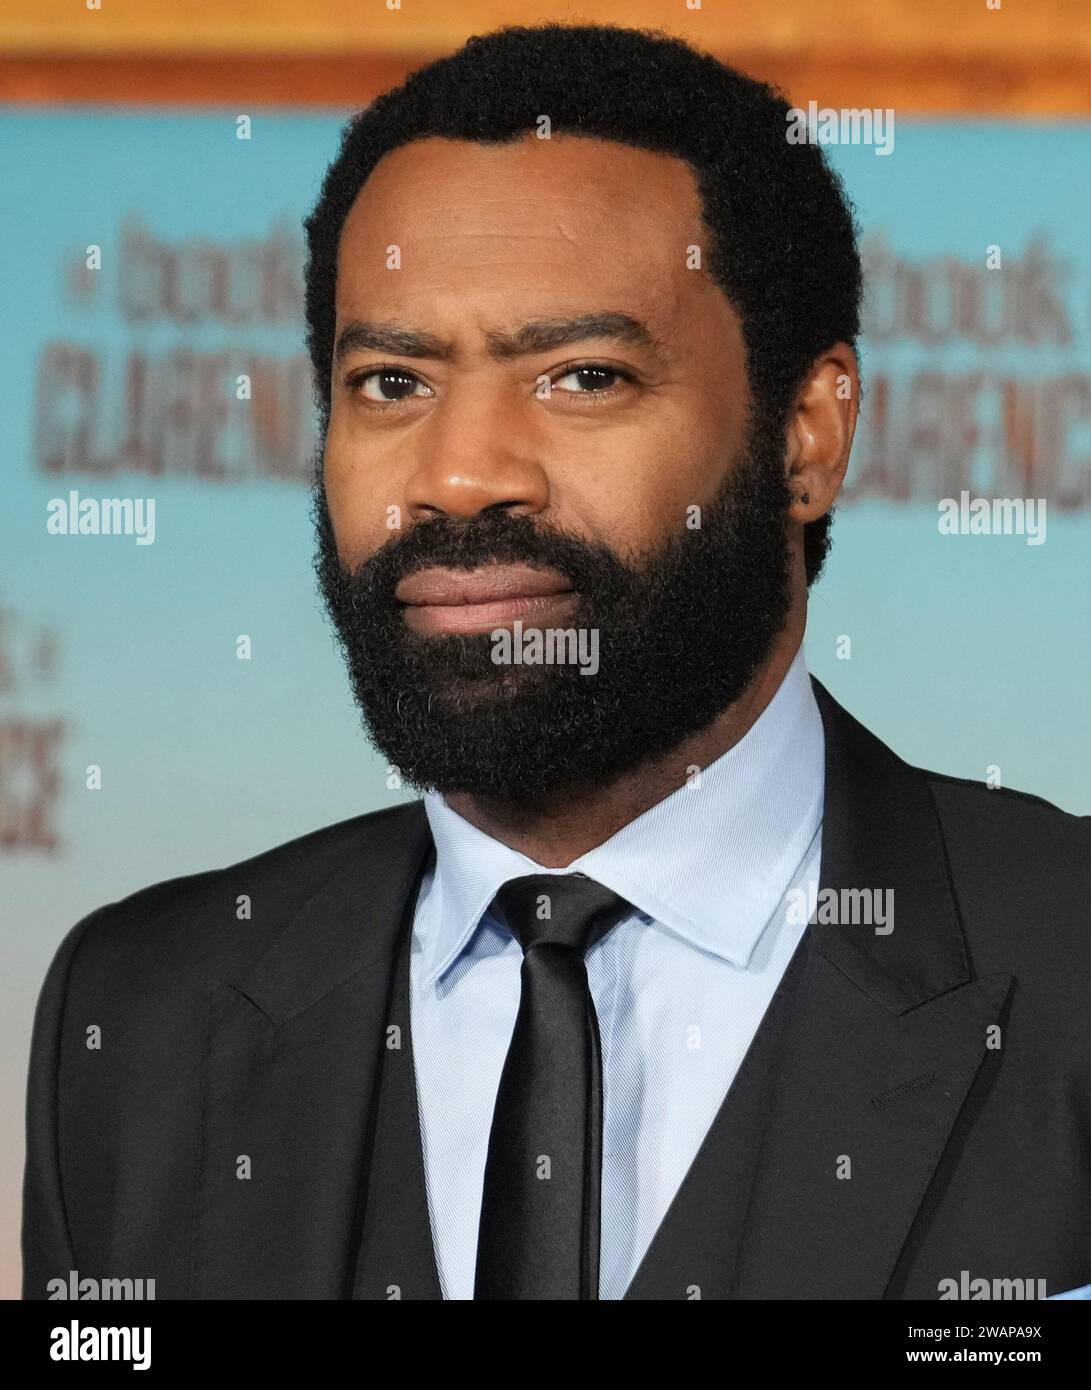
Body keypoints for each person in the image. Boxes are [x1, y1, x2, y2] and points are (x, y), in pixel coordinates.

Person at [23, 22, 1091, 1302]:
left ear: (806, 437)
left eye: (582, 375)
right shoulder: (141, 1012)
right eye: (389, 382)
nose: (461, 472)